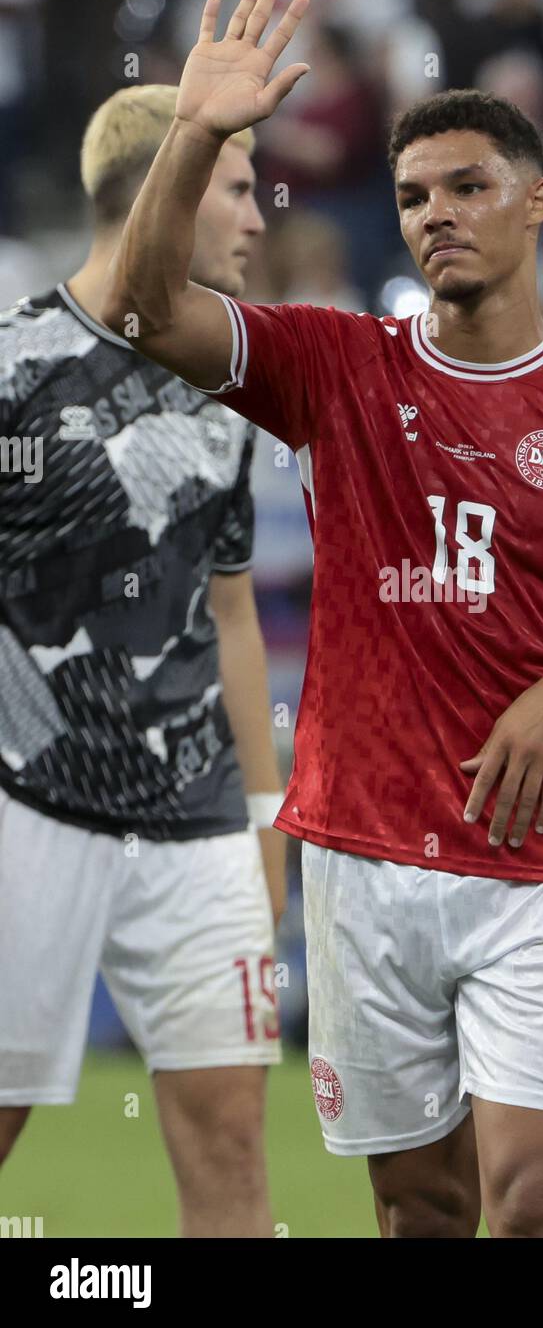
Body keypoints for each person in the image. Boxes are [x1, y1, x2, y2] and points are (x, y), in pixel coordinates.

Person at [102, 0, 543, 1239]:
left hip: (537, 864)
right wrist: (203, 131)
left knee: (535, 1202)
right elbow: (145, 310)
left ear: (538, 201)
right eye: (413, 198)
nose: (436, 215)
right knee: (419, 1217)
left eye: (468, 187)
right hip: (364, 860)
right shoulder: (337, 370)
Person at [0, 85, 284, 1238]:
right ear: (160, 186)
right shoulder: (13, 365)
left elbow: (231, 618)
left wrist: (265, 820)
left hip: (196, 819)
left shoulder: (230, 387)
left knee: (231, 1147)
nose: (259, 217)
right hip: (27, 803)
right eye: (233, 185)